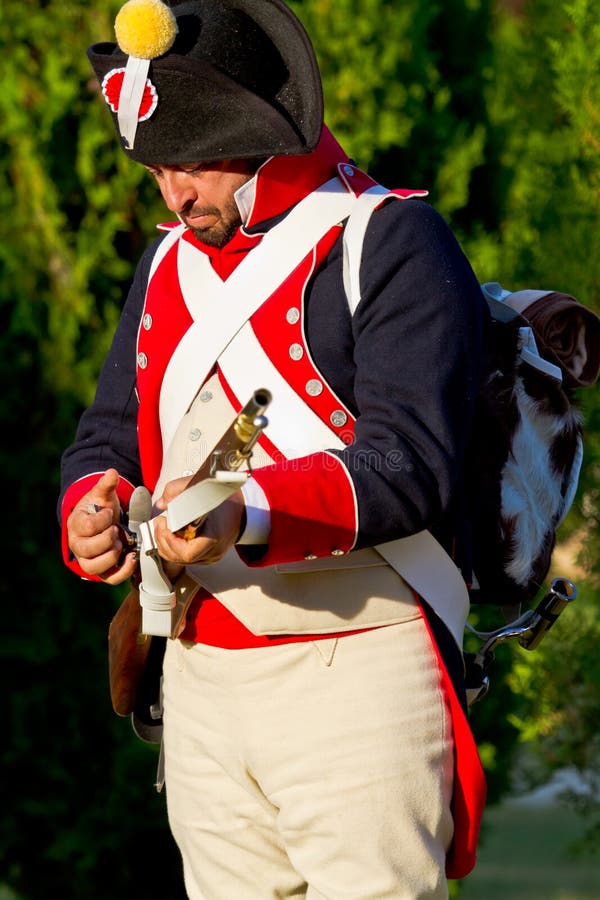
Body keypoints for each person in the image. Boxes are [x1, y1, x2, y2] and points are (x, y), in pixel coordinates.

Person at [59, 0, 488, 896]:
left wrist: (245, 509)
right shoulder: (166, 264)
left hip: (356, 670)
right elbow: (110, 433)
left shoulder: (392, 239)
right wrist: (94, 505)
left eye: (193, 166)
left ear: (264, 138)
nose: (175, 196)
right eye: (160, 171)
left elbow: (412, 463)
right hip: (202, 678)